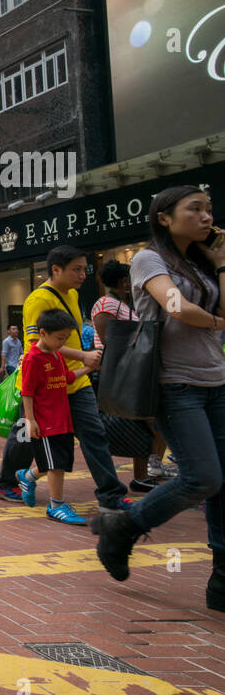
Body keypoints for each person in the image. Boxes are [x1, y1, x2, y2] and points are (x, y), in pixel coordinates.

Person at [92, 185, 225, 611]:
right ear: (164, 217)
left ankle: (222, 578)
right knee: (202, 477)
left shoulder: (202, 261)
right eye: (195, 209)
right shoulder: (149, 260)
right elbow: (177, 307)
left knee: (224, 483)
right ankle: (125, 525)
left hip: (217, 381)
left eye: (209, 209)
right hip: (174, 385)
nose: (207, 216)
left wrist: (221, 263)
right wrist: (218, 323)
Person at [0, 245, 132, 517]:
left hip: (75, 380)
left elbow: (67, 336)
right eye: (76, 269)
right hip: (42, 384)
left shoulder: (74, 295)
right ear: (56, 270)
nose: (83, 274)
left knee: (93, 435)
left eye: (84, 268)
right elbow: (35, 345)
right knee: (26, 435)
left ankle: (111, 495)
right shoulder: (37, 301)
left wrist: (82, 362)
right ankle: (7, 480)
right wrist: (83, 355)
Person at [90, 259, 167, 491]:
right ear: (125, 281)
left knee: (144, 422)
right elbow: (108, 340)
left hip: (131, 371)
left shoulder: (124, 305)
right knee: (144, 421)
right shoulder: (106, 304)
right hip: (117, 374)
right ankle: (142, 472)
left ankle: (143, 474)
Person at [16, 309, 96, 521]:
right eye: (60, 338)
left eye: (65, 338)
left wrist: (88, 369)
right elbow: (27, 391)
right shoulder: (33, 358)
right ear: (43, 333)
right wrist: (30, 420)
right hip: (45, 421)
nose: (63, 342)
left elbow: (67, 377)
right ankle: (56, 505)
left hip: (62, 418)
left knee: (58, 461)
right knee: (56, 464)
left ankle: (27, 476)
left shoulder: (56, 353)